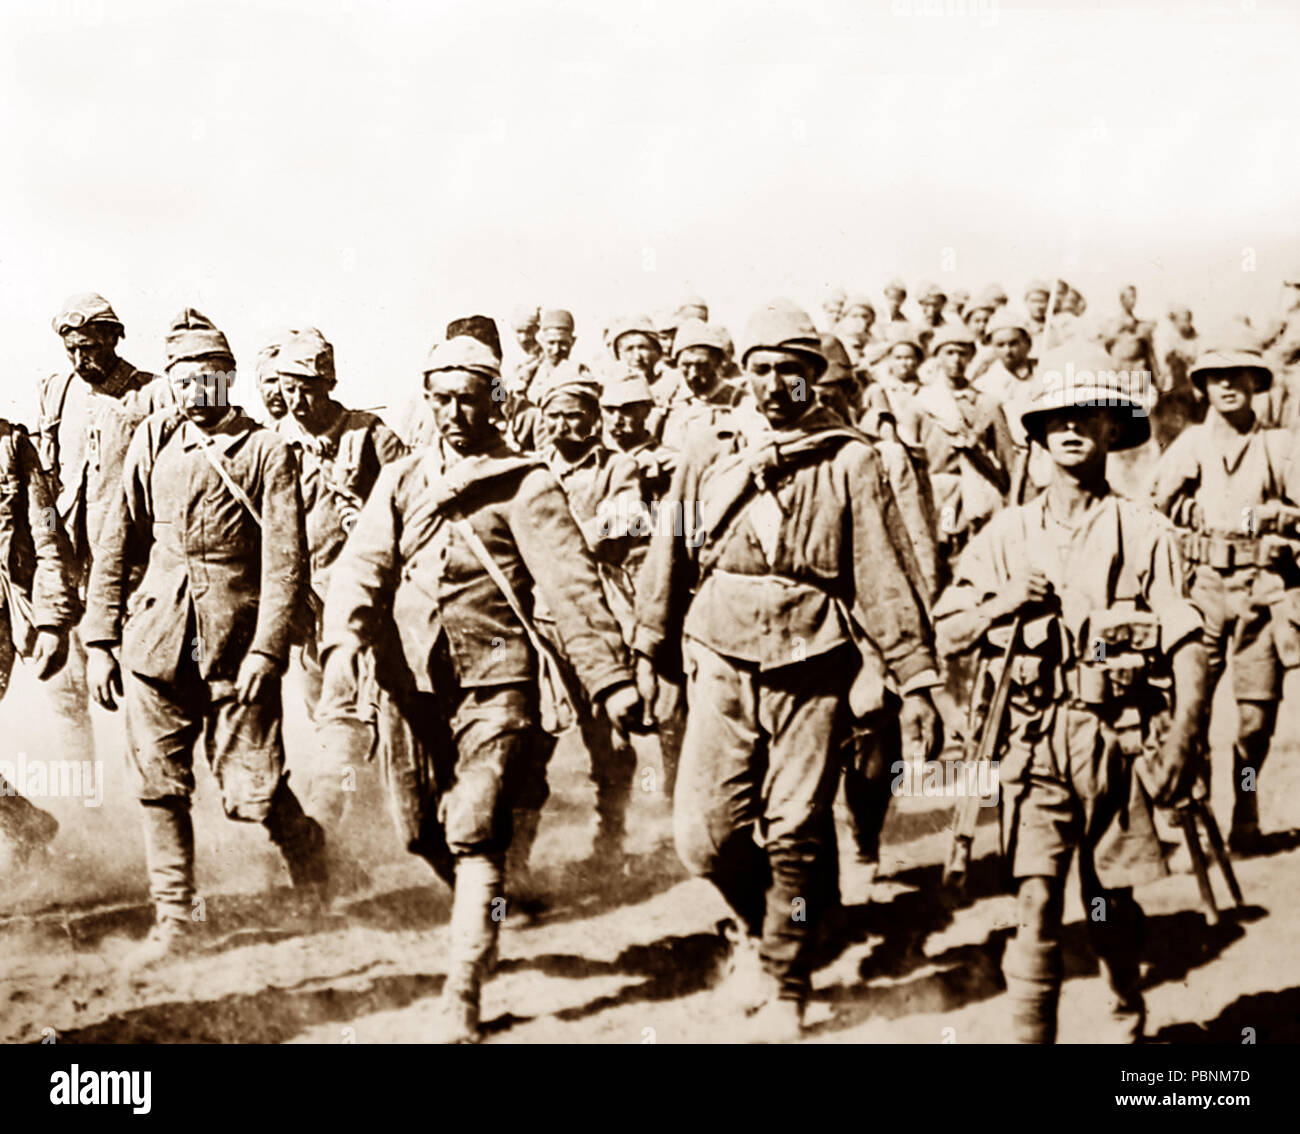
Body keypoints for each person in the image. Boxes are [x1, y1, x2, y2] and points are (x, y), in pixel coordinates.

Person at [318, 335, 641, 1042]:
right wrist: (343, 638)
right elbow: (362, 563)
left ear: (495, 402)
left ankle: (462, 987)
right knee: (418, 831)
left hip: (498, 678)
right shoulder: (401, 480)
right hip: (413, 681)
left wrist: (611, 682)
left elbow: (573, 587)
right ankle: (492, 898)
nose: (456, 413)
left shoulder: (527, 483)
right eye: (443, 399)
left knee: (473, 829)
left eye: (471, 398)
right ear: (427, 401)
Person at [632, 299, 940, 1039]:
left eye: (791, 373)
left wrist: (917, 677)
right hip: (720, 647)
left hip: (812, 657)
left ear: (815, 378)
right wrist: (651, 644)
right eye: (761, 370)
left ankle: (785, 977)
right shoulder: (710, 448)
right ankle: (770, 920)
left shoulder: (850, 457)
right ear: (745, 375)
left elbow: (883, 572)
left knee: (798, 826)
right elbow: (670, 544)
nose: (775, 385)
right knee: (704, 835)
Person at [933, 348, 1205, 1044]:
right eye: (1057, 418)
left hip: (1116, 740)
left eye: (1090, 416)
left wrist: (1181, 744)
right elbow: (950, 627)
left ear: (1114, 432)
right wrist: (999, 604)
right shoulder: (1007, 534)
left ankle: (1124, 1013)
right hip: (1033, 742)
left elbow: (1189, 640)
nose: (1073, 428)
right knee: (1036, 898)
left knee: (1110, 899)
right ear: (1039, 433)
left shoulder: (1144, 530)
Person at [83, 309, 328, 964]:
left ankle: (310, 861)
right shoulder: (155, 438)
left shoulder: (265, 451)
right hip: (157, 642)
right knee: (160, 784)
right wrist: (101, 638)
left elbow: (285, 565)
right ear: (171, 383)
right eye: (183, 380)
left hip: (237, 646)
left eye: (209, 378)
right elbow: (116, 540)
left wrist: (268, 650)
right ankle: (176, 918)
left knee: (254, 791)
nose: (196, 392)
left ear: (229, 378)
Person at [1148, 330, 1300, 854]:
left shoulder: (1280, 445)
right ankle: (1200, 810)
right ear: (1204, 387)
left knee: (1256, 719)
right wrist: (1197, 515)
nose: (1228, 386)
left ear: (1257, 384)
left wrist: (1276, 519)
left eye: (1240, 376)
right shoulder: (1191, 443)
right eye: (1217, 377)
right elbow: (1155, 504)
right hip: (1204, 586)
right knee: (1194, 703)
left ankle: (1247, 809)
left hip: (1263, 589)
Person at [266, 327, 408, 826]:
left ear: (327, 384)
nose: (296, 399)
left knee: (347, 711)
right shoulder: (273, 445)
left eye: (306, 387)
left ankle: (330, 821)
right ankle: (363, 808)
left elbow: (413, 503)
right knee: (319, 708)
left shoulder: (368, 435)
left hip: (361, 602)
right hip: (304, 609)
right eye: (286, 387)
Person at [37, 293, 169, 760]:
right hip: (72, 569)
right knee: (67, 693)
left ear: (114, 337)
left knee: (146, 688)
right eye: (71, 349)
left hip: (136, 572)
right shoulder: (57, 391)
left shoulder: (153, 393)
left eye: (89, 347)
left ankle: (156, 800)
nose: (79, 358)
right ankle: (87, 808)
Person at [0, 416, 80, 869]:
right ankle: (24, 821)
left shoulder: (11, 448)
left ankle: (24, 822)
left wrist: (52, 621)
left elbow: (49, 537)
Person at [656, 320, 743, 450]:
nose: (693, 374)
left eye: (702, 366)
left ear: (718, 363)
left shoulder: (737, 399)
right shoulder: (667, 399)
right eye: (686, 365)